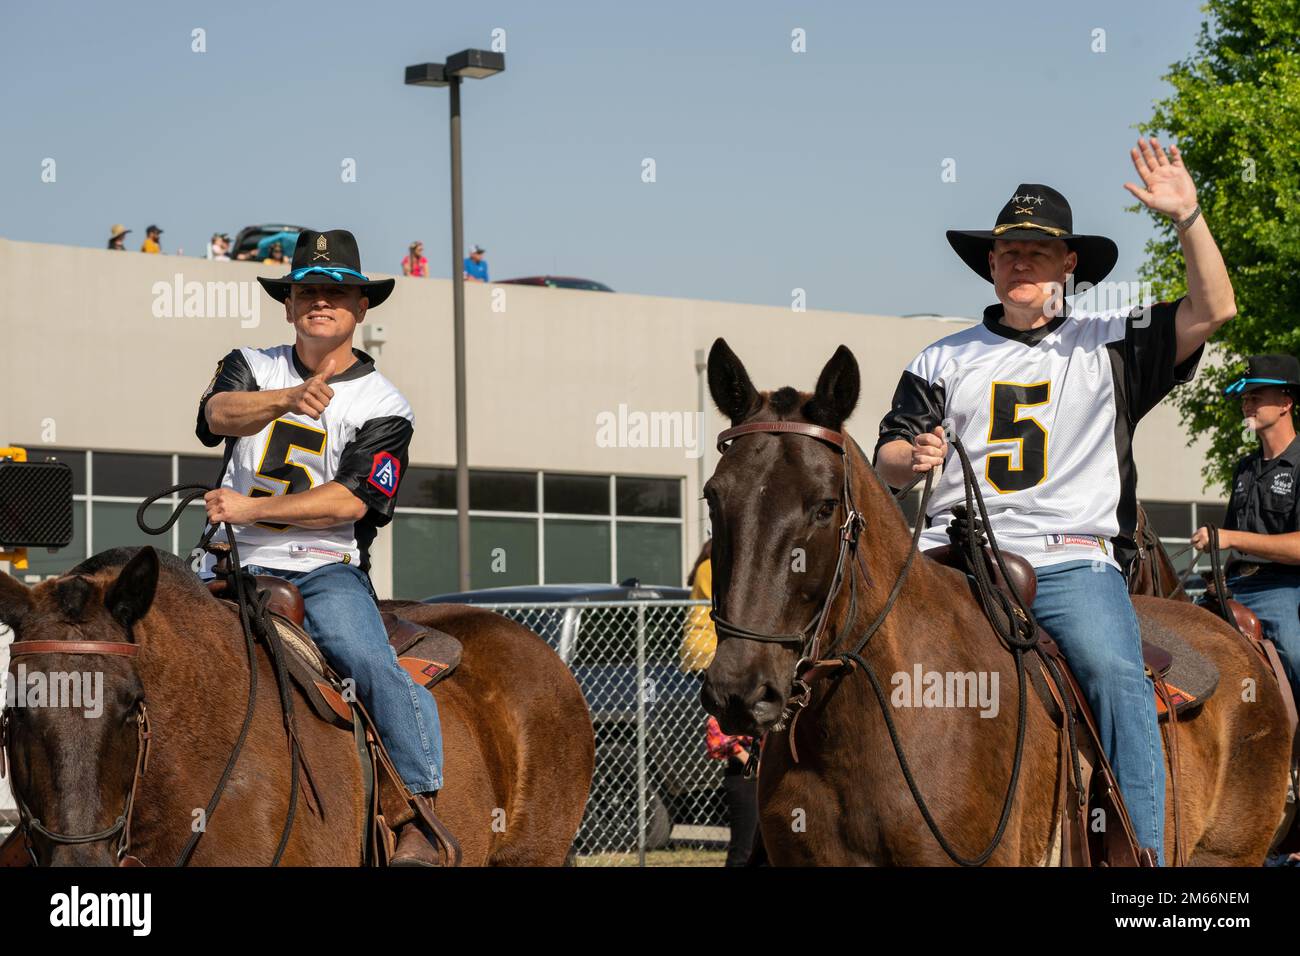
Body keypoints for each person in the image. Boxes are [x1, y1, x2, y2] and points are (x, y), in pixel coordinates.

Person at [874, 139, 1236, 865]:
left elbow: (1215, 308)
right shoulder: (939, 359)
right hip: (953, 561)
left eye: (1037, 251)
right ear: (990, 263)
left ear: (1069, 264)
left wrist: (1189, 216)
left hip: (1072, 563)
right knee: (858, 665)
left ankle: (1141, 861)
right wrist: (909, 459)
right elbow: (884, 460)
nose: (1018, 262)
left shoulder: (1116, 341)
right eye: (1007, 251)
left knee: (1112, 674)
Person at [194, 228, 452, 866]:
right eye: (307, 288)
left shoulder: (385, 404)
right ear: (287, 305)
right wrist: (287, 398)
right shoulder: (252, 365)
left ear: (362, 307)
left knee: (368, 663)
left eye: (338, 291)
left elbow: (353, 500)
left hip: (322, 572)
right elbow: (214, 415)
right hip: (225, 562)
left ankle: (418, 811)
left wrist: (252, 507)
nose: (321, 300)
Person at [1193, 354, 1300, 705]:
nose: (1246, 404)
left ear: (1286, 402)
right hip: (1235, 584)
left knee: (1295, 654)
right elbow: (1231, 539)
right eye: (1244, 398)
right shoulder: (1245, 468)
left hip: (1283, 588)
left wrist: (1228, 538)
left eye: (1256, 396)